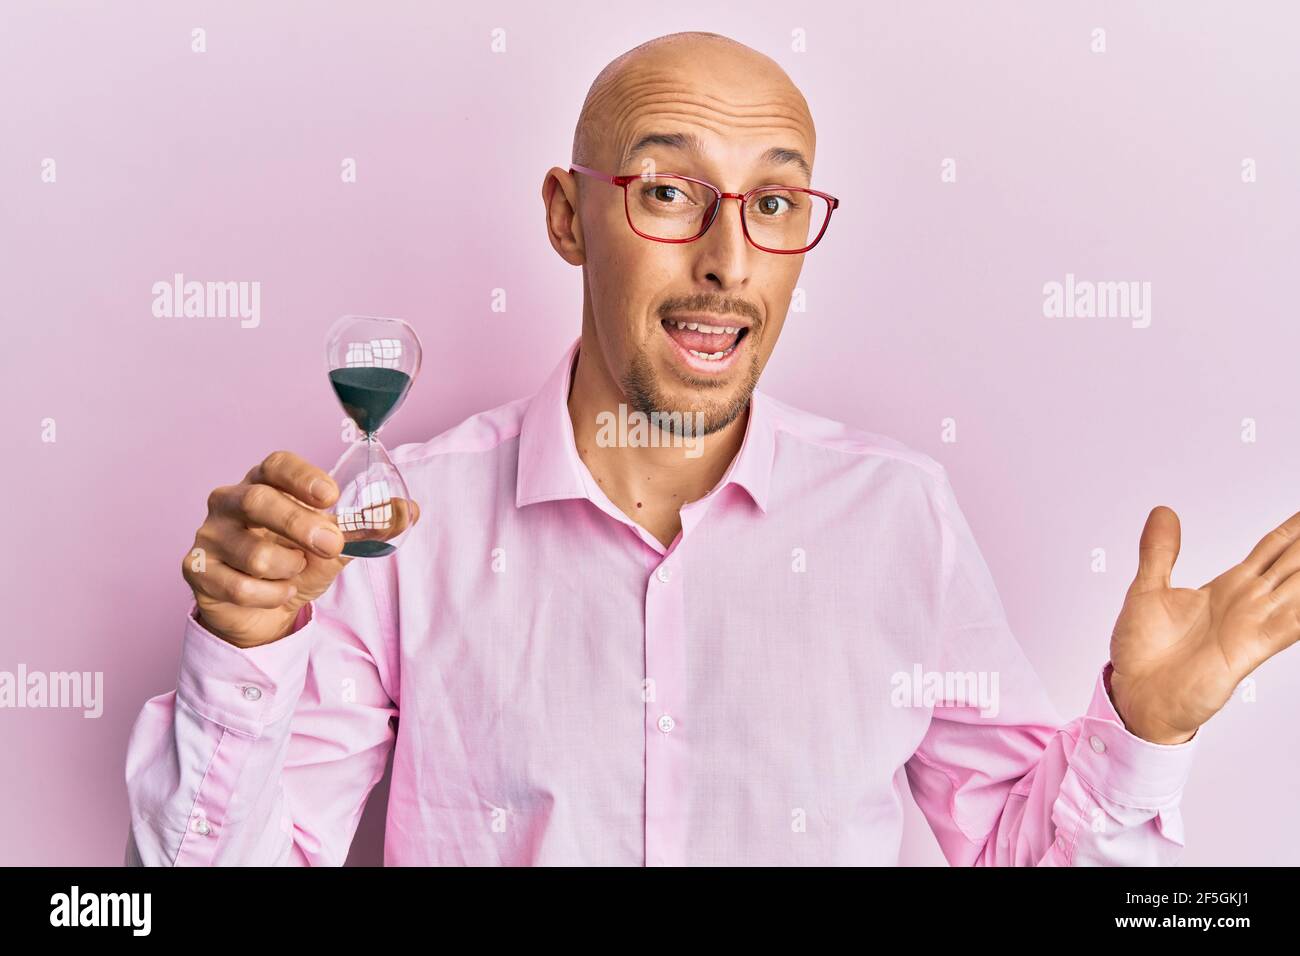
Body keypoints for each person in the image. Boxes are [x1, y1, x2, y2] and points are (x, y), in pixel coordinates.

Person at [124, 31, 1300, 866]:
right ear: (565, 215)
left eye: (774, 205)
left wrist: (1144, 728)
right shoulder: (403, 530)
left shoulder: (899, 518)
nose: (728, 261)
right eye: (671, 191)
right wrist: (240, 649)